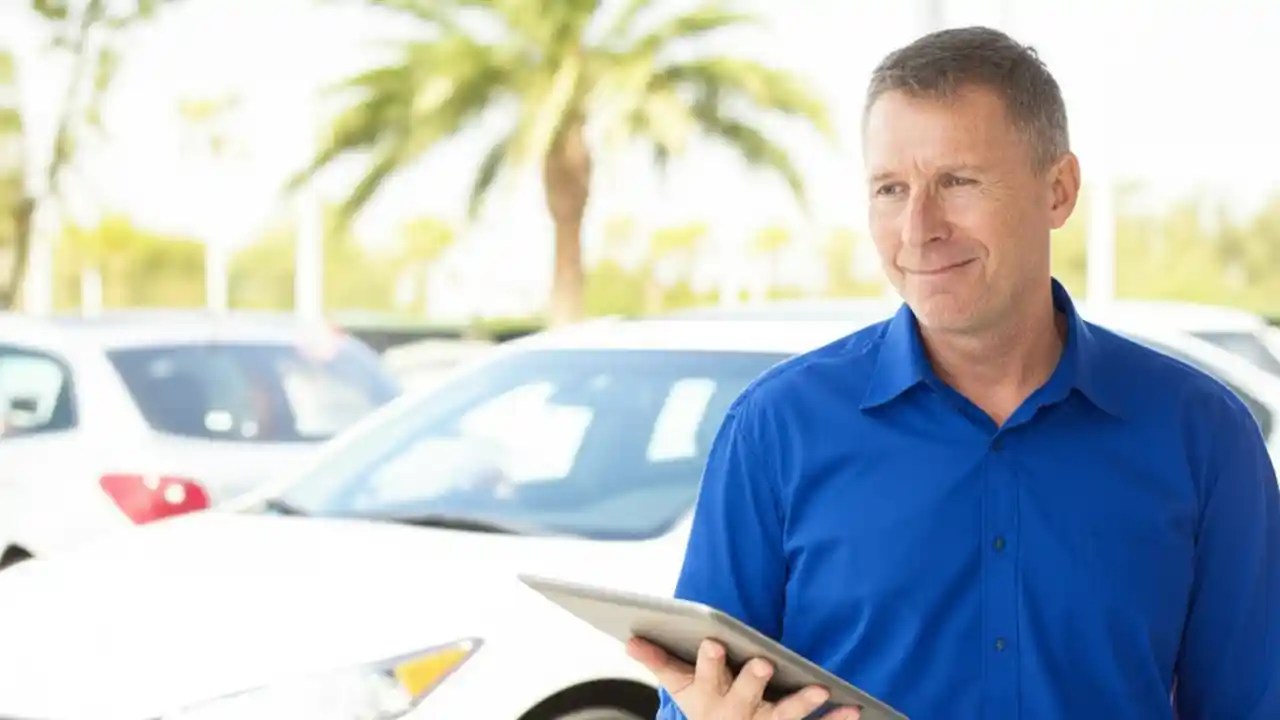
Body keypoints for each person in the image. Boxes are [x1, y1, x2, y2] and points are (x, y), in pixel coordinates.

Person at [627, 26, 1280, 720]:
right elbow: (694, 696)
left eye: (957, 181)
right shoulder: (774, 430)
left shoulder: (1202, 437)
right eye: (889, 189)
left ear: (1058, 190)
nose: (918, 227)